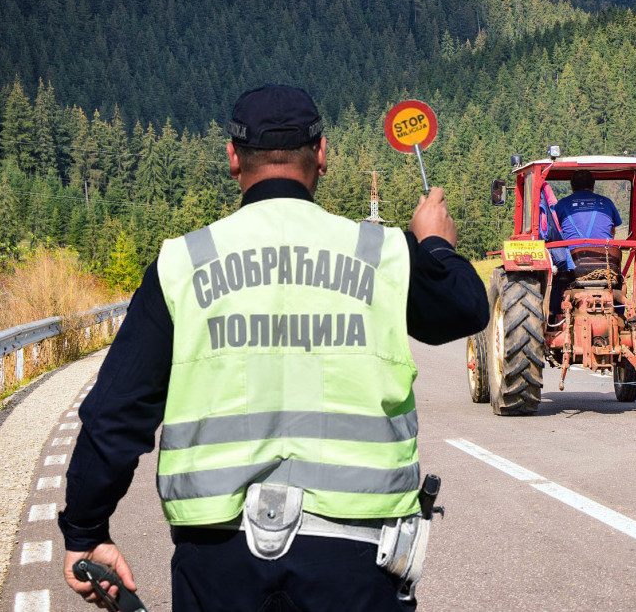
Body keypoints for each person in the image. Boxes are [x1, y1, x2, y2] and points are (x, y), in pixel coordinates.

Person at [59, 85, 489, 612]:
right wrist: (435, 244)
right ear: (323, 156)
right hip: (357, 557)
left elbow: (114, 413)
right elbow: (467, 309)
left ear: (233, 158)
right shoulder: (382, 254)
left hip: (217, 558)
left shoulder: (182, 264)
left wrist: (85, 529)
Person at [552, 170, 623, 245]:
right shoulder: (607, 202)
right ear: (593, 186)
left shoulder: (562, 204)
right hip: (604, 253)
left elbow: (554, 230)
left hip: (571, 254)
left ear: (572, 187)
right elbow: (612, 231)